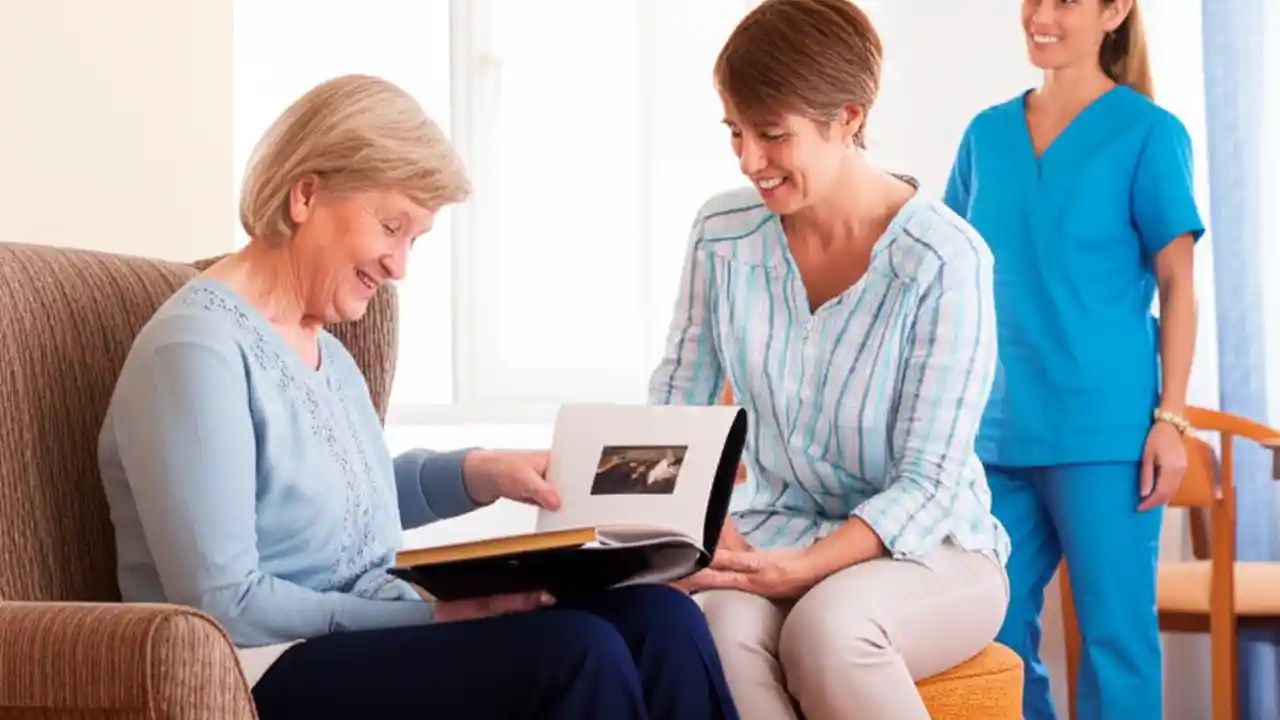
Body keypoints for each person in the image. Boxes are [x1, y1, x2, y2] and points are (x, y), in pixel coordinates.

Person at [97, 73, 738, 720]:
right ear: (306, 194)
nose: (400, 265)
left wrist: (478, 473)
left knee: (660, 619)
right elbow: (223, 599)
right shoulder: (196, 353)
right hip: (264, 665)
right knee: (576, 651)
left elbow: (339, 497)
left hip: (359, 628)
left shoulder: (327, 351)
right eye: (390, 226)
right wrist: (429, 611)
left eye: (414, 240)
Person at [648, 2, 1011, 718]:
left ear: (849, 118)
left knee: (830, 629)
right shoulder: (722, 234)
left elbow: (929, 481)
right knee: (713, 629)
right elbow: (676, 408)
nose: (749, 159)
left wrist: (802, 570)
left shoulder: (945, 260)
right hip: (776, 529)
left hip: (933, 551)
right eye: (736, 132)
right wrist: (702, 524)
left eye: (772, 134)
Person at [942, 1, 1203, 718]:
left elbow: (1179, 286)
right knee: (984, 638)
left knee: (1115, 640)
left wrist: (1171, 420)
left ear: (1115, 10)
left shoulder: (1149, 134)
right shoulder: (985, 136)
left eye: (1065, 0)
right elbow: (948, 280)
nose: (1040, 15)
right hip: (993, 435)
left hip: (1106, 433)